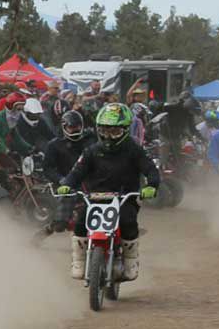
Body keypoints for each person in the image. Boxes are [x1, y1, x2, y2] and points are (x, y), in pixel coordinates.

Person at [55, 102, 160, 281]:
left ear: (126, 130)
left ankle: (130, 260)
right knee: (80, 221)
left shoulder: (134, 150)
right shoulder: (91, 151)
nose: (109, 136)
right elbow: (77, 171)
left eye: (115, 132)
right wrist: (67, 184)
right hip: (95, 197)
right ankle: (79, 260)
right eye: (104, 131)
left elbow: (150, 169)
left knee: (128, 221)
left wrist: (151, 185)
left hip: (125, 197)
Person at [41, 109, 94, 235]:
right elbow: (47, 169)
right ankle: (50, 228)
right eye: (71, 127)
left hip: (91, 183)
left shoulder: (91, 141)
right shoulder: (54, 145)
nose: (75, 129)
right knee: (60, 225)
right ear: (64, 127)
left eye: (78, 126)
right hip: (66, 185)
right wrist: (60, 180)